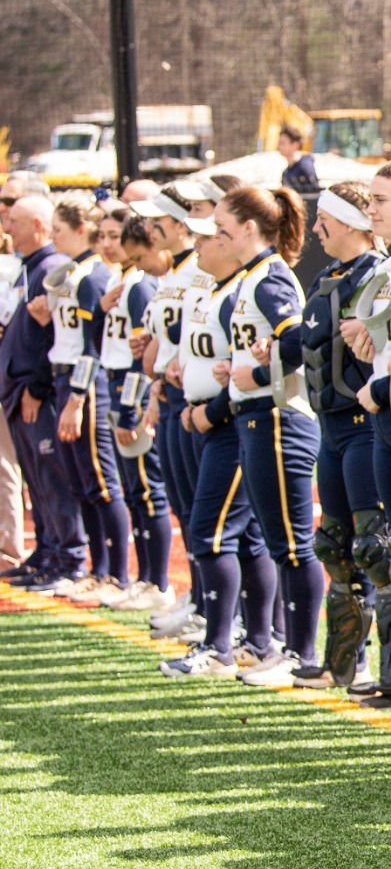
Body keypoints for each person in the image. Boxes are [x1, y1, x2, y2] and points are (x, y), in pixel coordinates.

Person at [161, 205, 280, 679]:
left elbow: (250, 367)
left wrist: (208, 412)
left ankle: (223, 644)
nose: (199, 244)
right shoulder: (219, 289)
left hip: (232, 425)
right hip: (212, 422)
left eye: (210, 236)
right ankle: (256, 639)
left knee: (212, 532)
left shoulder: (246, 289)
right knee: (241, 537)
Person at [213, 186, 323, 688]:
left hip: (279, 417)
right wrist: (239, 370)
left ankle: (300, 653)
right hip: (258, 416)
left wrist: (256, 375)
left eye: (222, 229)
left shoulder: (270, 275)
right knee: (279, 542)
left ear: (249, 228)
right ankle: (281, 646)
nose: (217, 237)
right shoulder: (253, 275)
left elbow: (298, 342)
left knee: (294, 544)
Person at [298, 182, 387, 689]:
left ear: (351, 222)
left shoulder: (376, 274)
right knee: (334, 544)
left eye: (324, 219)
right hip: (329, 428)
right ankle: (343, 662)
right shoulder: (328, 275)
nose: (316, 229)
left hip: (362, 427)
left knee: (374, 547)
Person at [130, 182, 215, 639]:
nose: (149, 228)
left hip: (195, 399)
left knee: (205, 510)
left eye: (157, 219)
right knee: (185, 506)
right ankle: (201, 597)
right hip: (170, 397)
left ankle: (215, 608)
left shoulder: (200, 270)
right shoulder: (176, 273)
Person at [34, 196, 127, 601]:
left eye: (58, 229)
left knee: (100, 481)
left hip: (84, 383)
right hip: (66, 378)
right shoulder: (73, 272)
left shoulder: (92, 275)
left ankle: (116, 574)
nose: (53, 236)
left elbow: (91, 345)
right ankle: (97, 569)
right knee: (82, 482)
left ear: (79, 229)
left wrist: (76, 396)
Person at [0, 191, 84, 589]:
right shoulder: (29, 266)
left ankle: (69, 557)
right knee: (37, 479)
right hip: (19, 391)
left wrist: (35, 386)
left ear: (38, 225)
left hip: (38, 394)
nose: (7, 229)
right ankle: (48, 551)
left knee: (53, 477)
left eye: (13, 222)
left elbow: (51, 337)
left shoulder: (50, 267)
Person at [106, 212, 172, 611]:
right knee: (136, 492)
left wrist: (129, 409)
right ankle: (147, 577)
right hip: (124, 391)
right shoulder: (127, 282)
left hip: (137, 395)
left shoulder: (141, 286)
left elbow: (138, 360)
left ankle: (157, 581)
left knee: (149, 491)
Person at [277, 125, 320, 196]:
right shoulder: (286, 173)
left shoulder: (305, 166)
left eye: (283, 143)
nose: (279, 147)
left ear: (295, 145)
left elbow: (314, 194)